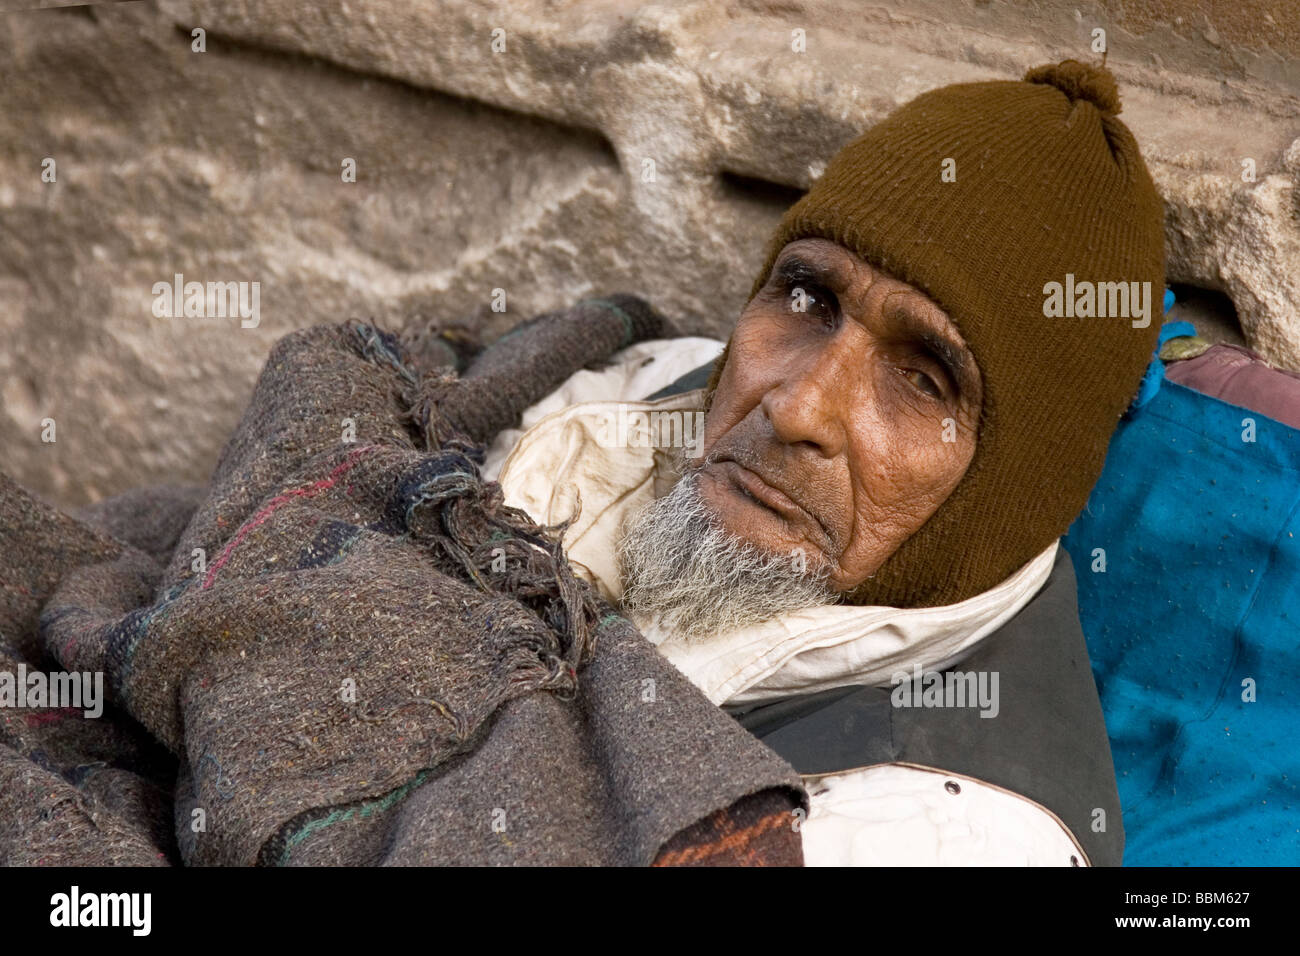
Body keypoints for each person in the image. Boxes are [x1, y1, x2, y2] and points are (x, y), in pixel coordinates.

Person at [482, 59, 1165, 866]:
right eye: (810, 301)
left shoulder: (947, 834)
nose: (797, 408)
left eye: (922, 379)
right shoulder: (654, 394)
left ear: (1012, 491)